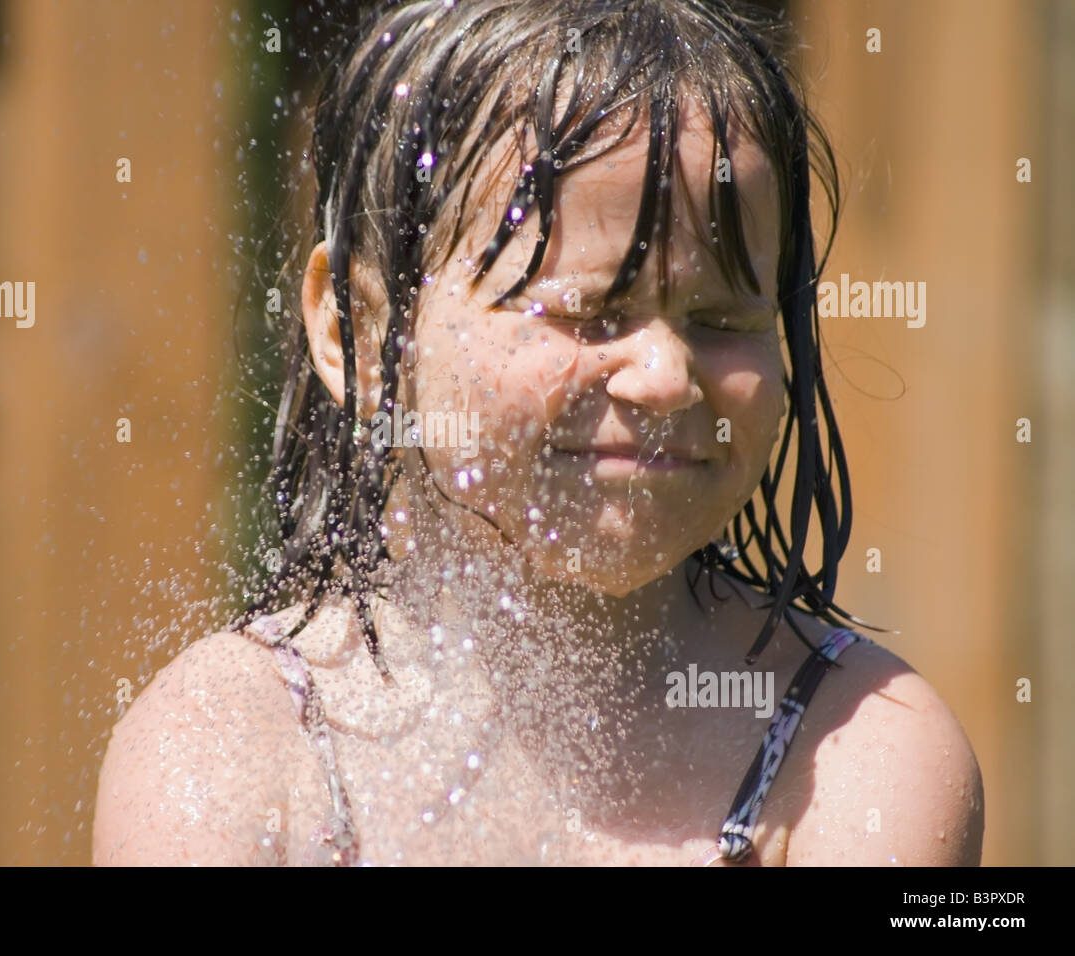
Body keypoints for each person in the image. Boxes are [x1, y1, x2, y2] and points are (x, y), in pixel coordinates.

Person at [93, 0, 984, 866]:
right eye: (590, 314)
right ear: (359, 335)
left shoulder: (858, 752)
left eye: (722, 317)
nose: (668, 378)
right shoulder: (238, 751)